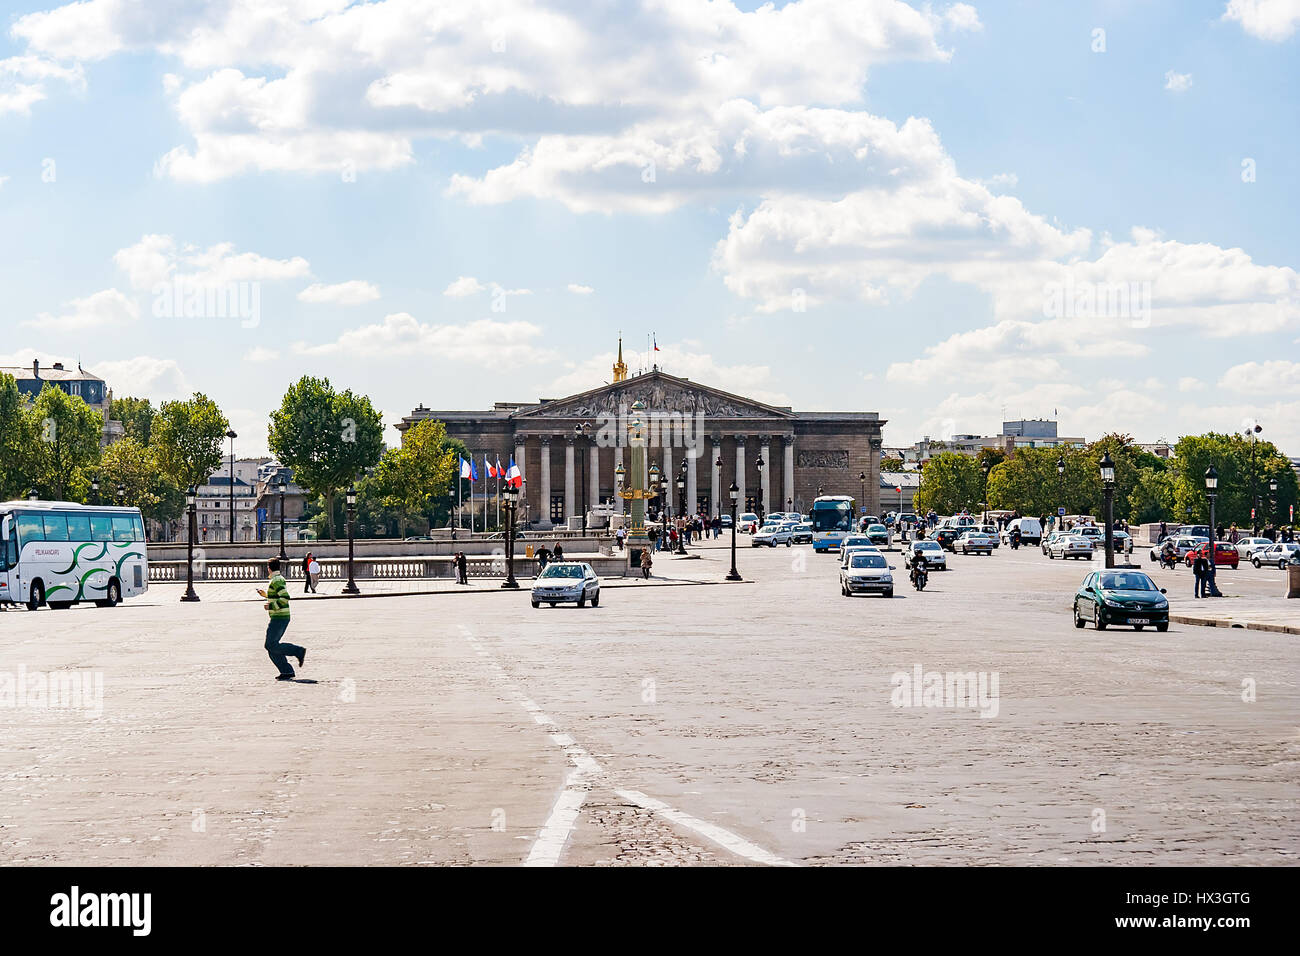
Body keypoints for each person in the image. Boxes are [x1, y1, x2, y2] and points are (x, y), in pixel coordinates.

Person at [258, 558, 305, 681]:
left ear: (269, 568)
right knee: (271, 645)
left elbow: (285, 597)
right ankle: (286, 671)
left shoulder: (276, 580)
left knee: (270, 644)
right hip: (279, 616)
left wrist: (271, 606)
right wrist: (266, 595)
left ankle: (297, 651)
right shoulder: (277, 579)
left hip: (279, 617)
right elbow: (278, 596)